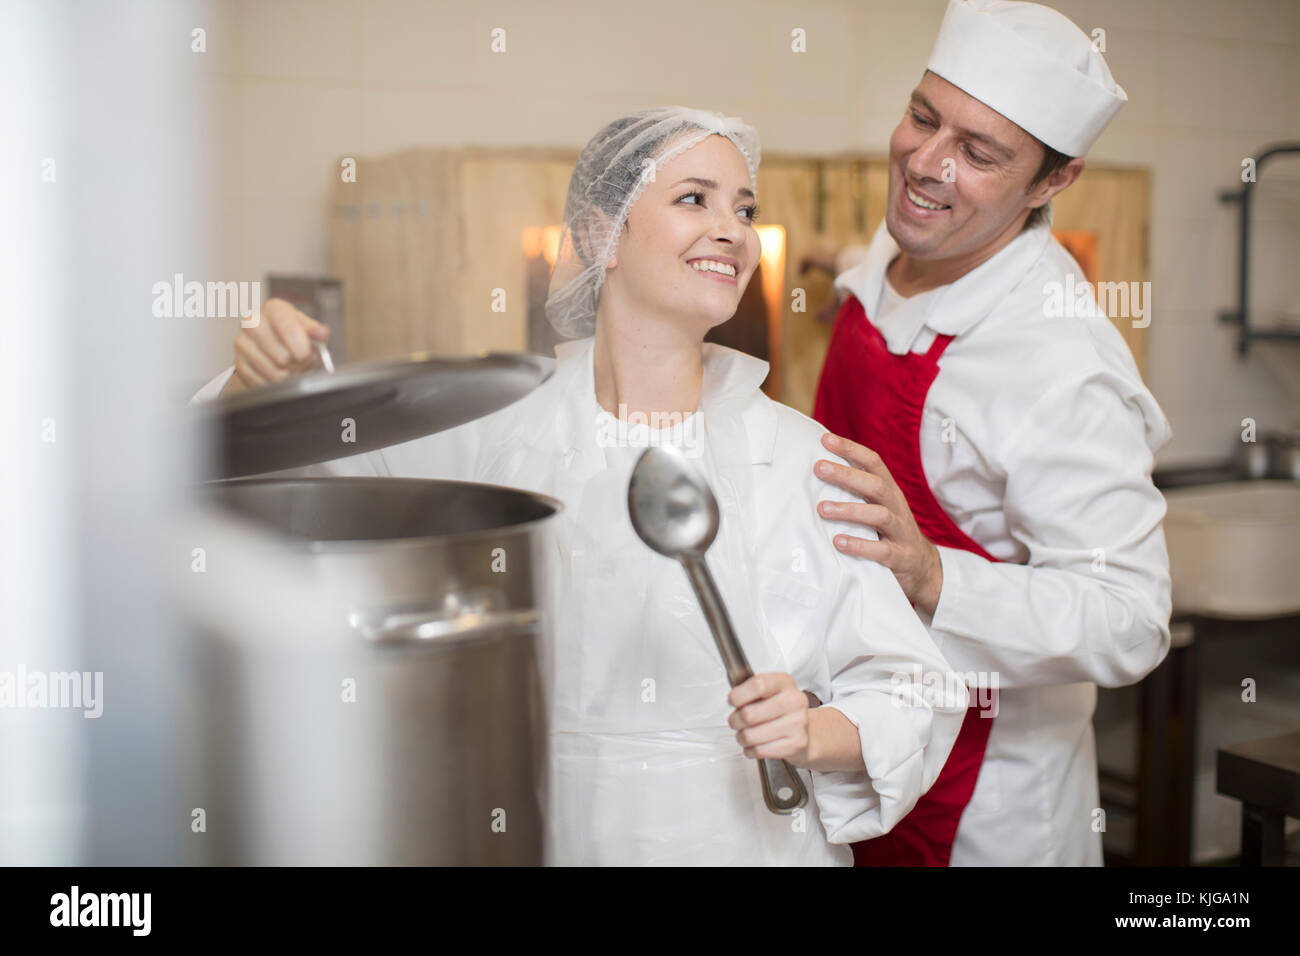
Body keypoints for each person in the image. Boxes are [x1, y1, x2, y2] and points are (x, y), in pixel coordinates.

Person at [194, 106, 968, 866]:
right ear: (602, 235)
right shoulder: (489, 426)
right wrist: (262, 384)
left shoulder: (804, 457)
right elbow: (288, 484)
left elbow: (913, 690)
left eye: (745, 207)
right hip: (543, 830)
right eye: (694, 198)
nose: (733, 230)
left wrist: (810, 730)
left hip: (746, 842)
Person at [807, 0, 1173, 866]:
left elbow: (1132, 620)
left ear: (1052, 182)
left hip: (984, 806)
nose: (925, 166)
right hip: (851, 740)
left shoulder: (1058, 360)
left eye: (978, 154)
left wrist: (934, 576)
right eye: (923, 117)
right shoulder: (909, 242)